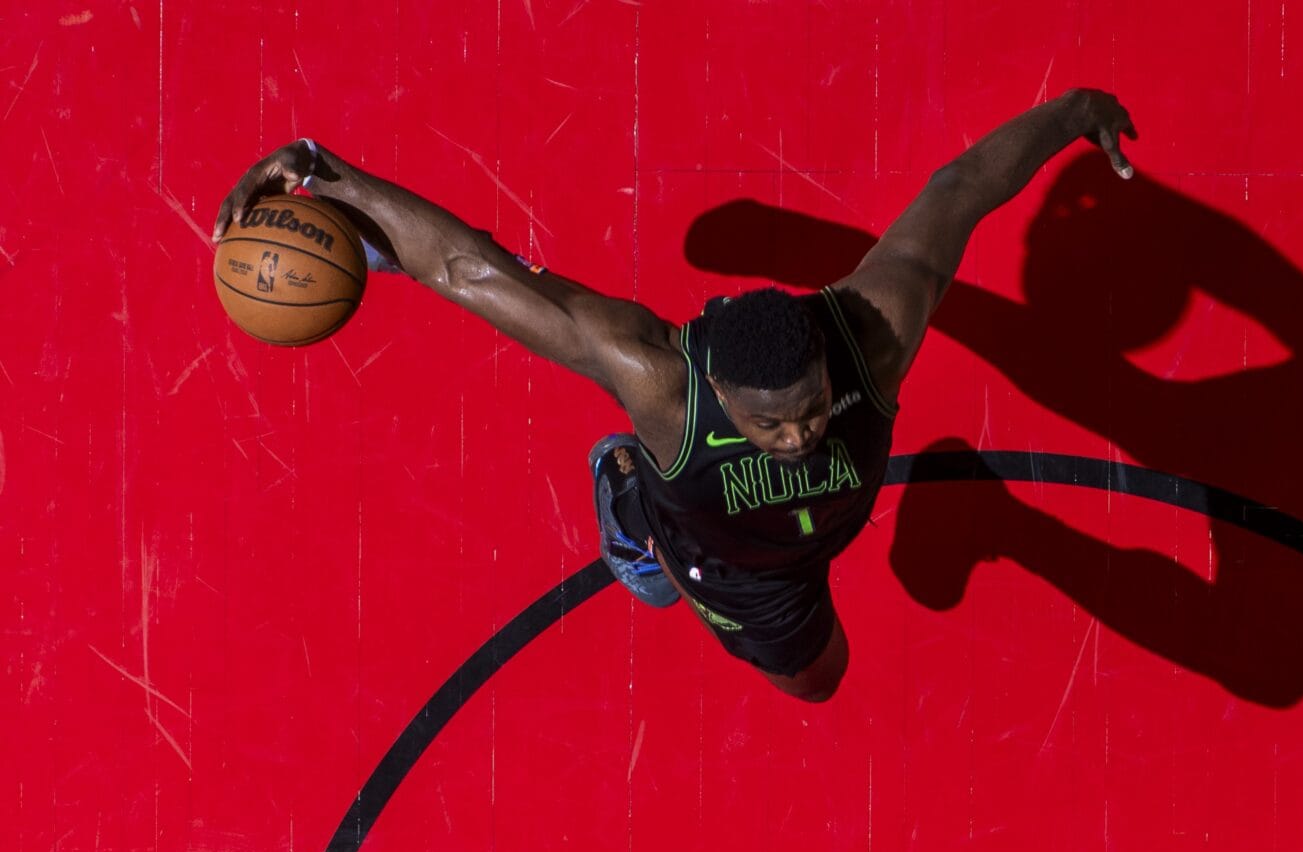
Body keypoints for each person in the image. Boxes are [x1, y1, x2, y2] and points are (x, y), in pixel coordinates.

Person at [212, 88, 1137, 702]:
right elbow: (467, 271)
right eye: (769, 423)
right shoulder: (658, 380)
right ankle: (631, 506)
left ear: (824, 358)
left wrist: (1077, 111)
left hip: (816, 531)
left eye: (811, 408)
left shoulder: (873, 334)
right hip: (729, 563)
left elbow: (961, 188)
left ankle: (651, 505)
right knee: (820, 682)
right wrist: (327, 174)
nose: (799, 436)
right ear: (719, 391)